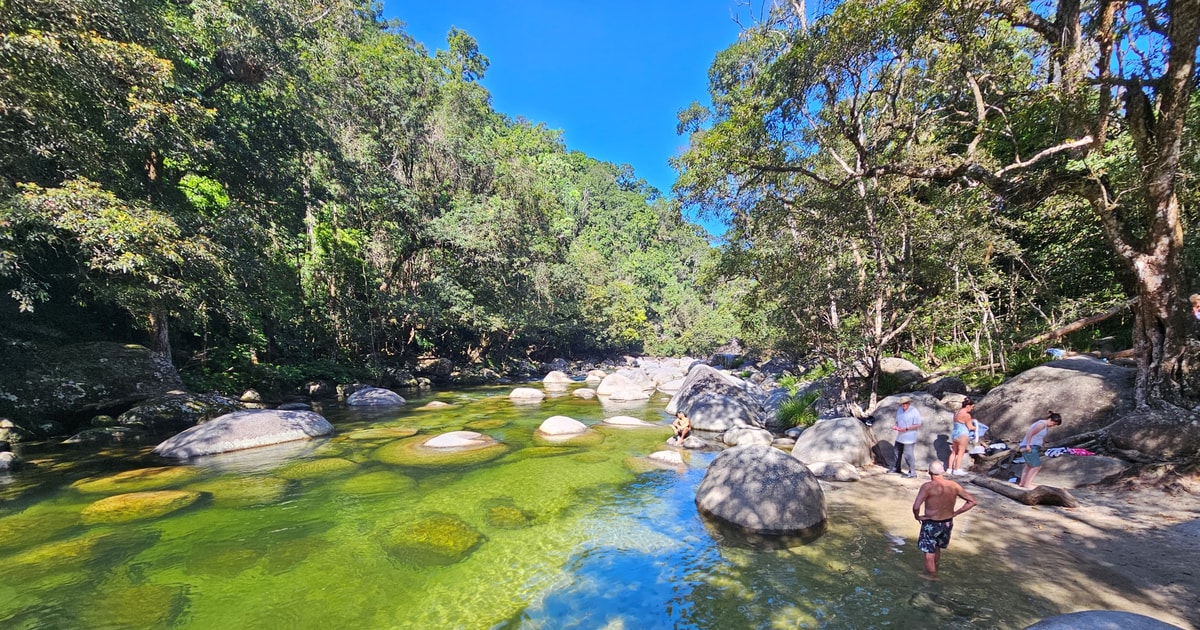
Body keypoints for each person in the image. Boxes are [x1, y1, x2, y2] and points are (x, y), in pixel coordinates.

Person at [912, 461, 977, 578]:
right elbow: (972, 501)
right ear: (942, 472)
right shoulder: (954, 485)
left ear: (928, 472)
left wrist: (917, 516)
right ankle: (935, 569)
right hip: (947, 523)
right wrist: (956, 513)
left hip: (931, 523)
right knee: (937, 547)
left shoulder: (927, 487)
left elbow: (916, 506)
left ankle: (931, 577)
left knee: (928, 553)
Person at [1018, 412, 1064, 488]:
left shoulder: (1043, 425)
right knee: (1036, 466)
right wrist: (1028, 445)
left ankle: (1023, 482)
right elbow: (1030, 433)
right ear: (1052, 420)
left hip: (1034, 446)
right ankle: (1027, 484)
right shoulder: (1041, 424)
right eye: (1054, 424)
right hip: (1031, 446)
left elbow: (1036, 436)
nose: (1053, 426)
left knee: (1029, 465)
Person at [891, 396, 922, 477]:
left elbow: (918, 424)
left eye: (905, 403)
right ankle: (896, 468)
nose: (903, 405)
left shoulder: (914, 411)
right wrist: (896, 426)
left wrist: (906, 428)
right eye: (902, 404)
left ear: (909, 403)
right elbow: (897, 421)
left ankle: (912, 472)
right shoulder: (900, 410)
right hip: (900, 436)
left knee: (908, 454)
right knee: (897, 452)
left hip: (909, 437)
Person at [947, 398, 978, 475]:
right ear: (968, 406)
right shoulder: (967, 415)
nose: (972, 409)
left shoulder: (956, 413)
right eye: (972, 407)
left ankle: (949, 469)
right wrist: (977, 427)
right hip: (963, 434)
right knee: (960, 452)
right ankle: (957, 469)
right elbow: (970, 427)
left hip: (955, 433)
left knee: (953, 452)